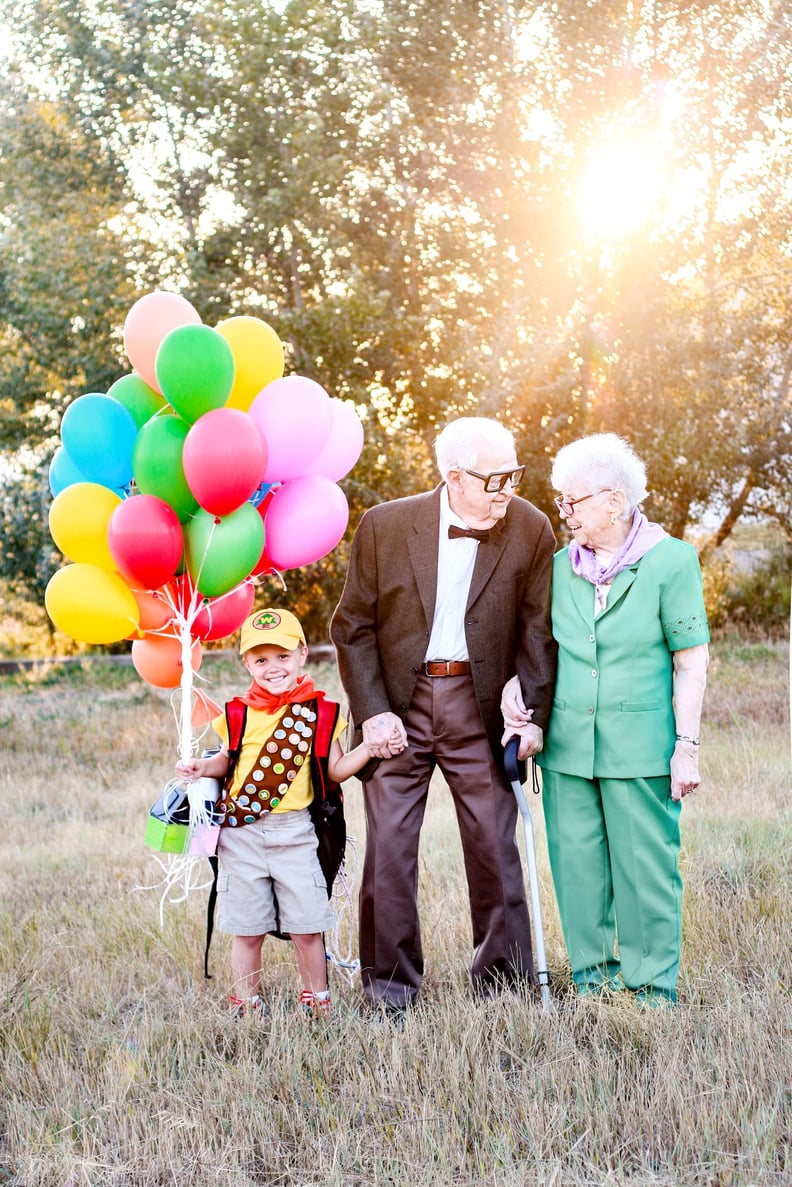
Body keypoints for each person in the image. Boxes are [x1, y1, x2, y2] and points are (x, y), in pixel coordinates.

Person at [330, 416, 557, 1011]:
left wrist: (530, 711)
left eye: (515, 474)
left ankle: (504, 982)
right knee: (389, 849)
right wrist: (372, 711)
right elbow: (352, 628)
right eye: (495, 478)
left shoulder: (531, 529)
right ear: (454, 478)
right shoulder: (385, 526)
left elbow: (539, 630)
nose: (508, 488)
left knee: (493, 841)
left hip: (480, 705)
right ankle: (389, 990)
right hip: (397, 709)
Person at [502, 432, 709, 1006]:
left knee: (646, 872)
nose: (563, 512)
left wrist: (685, 746)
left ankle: (651, 991)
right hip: (566, 747)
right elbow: (538, 646)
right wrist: (519, 690)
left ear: (614, 501)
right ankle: (593, 982)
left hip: (640, 746)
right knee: (577, 870)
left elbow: (690, 662)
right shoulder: (558, 567)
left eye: (572, 501)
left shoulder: (671, 561)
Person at [176, 607, 375, 1019]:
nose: (273, 667)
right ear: (246, 662)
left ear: (302, 655)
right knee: (247, 929)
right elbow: (227, 761)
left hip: (296, 834)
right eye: (261, 659)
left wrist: (368, 749)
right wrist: (202, 767)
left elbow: (336, 770)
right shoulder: (236, 713)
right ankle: (245, 1004)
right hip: (241, 835)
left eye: (283, 656)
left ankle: (317, 1002)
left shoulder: (323, 713)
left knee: (307, 926)